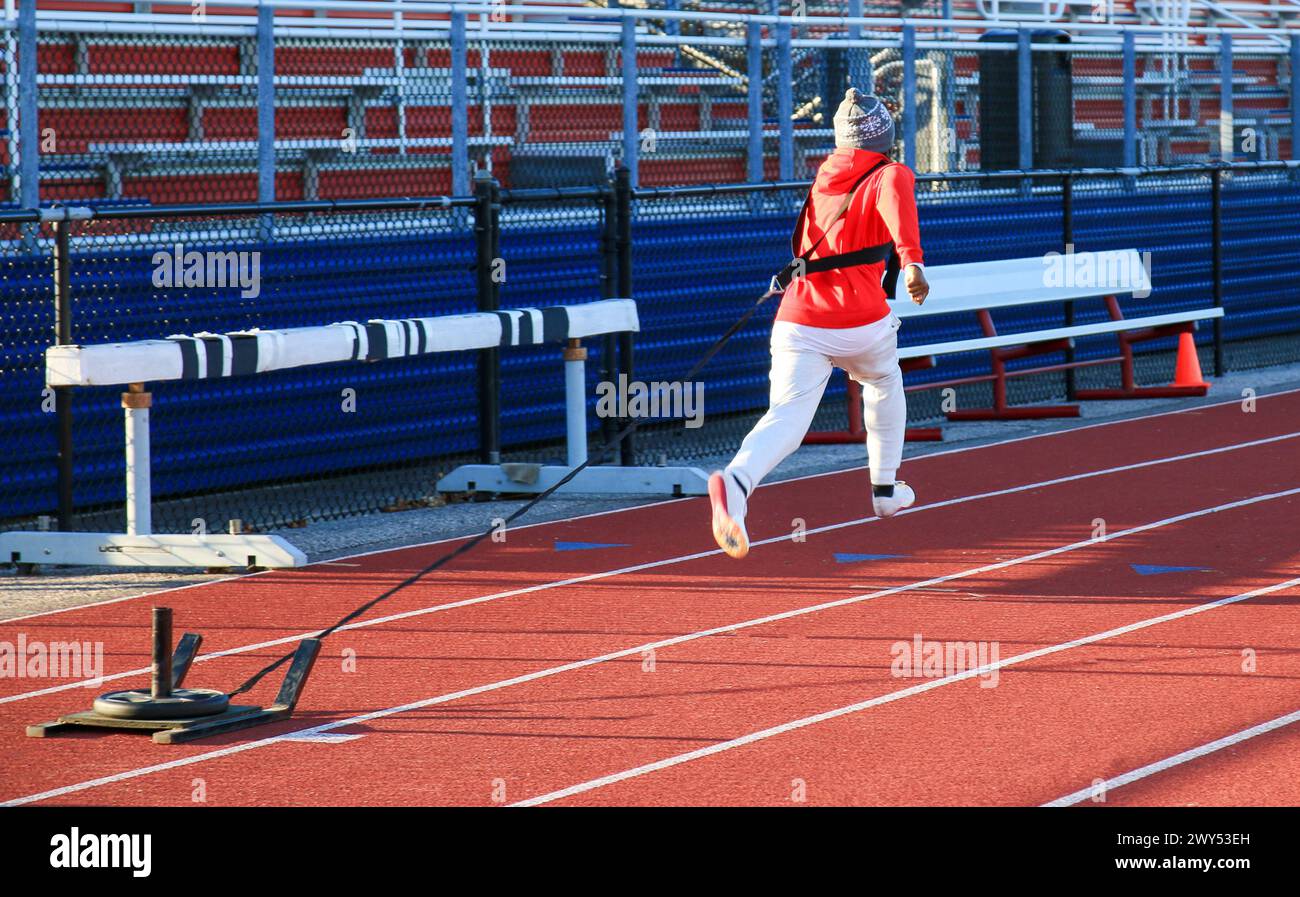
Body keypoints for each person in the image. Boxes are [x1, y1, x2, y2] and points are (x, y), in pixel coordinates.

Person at [708, 87, 930, 560]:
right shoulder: (892, 173)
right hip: (860, 320)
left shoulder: (825, 175)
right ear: (885, 137)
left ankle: (736, 483)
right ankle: (885, 488)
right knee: (884, 380)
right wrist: (912, 263)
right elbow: (896, 205)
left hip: (797, 319)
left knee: (785, 418)